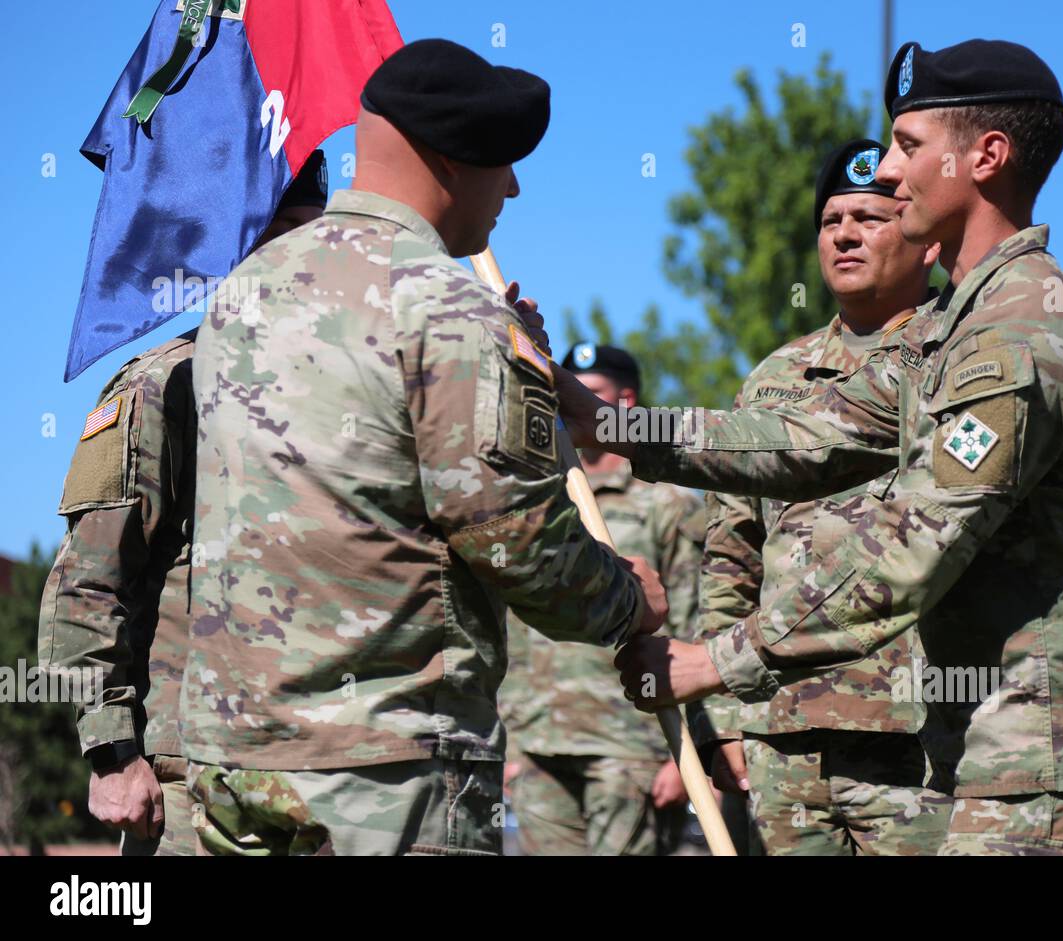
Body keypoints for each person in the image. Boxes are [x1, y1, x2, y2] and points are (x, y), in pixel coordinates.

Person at [547, 39, 1063, 854]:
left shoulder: (1023, 329)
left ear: (986, 157)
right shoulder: (963, 327)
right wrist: (609, 425)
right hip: (1009, 759)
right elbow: (802, 436)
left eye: (908, 146)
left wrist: (718, 661)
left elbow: (913, 547)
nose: (886, 171)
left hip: (1062, 766)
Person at [181, 39, 665, 856]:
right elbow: (516, 542)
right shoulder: (451, 307)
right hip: (386, 768)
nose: (512, 185)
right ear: (449, 156)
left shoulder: (241, 293)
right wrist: (628, 599)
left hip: (234, 756)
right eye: (502, 160)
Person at [36, 152, 331, 856]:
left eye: (314, 237)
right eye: (278, 233)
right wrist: (111, 754)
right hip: (189, 789)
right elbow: (89, 581)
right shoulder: (165, 388)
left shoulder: (346, 391)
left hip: (325, 781)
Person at [691, 139, 949, 855]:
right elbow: (730, 553)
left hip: (918, 731)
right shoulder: (776, 377)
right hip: (782, 731)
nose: (843, 234)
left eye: (869, 216)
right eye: (831, 219)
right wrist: (722, 713)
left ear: (925, 243)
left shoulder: (956, 357)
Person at [500, 345, 699, 856]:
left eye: (588, 393)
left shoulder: (665, 502)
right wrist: (508, 739)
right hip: (538, 740)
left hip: (630, 742)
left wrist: (686, 755)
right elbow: (510, 621)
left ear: (625, 402)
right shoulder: (545, 499)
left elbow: (696, 621)